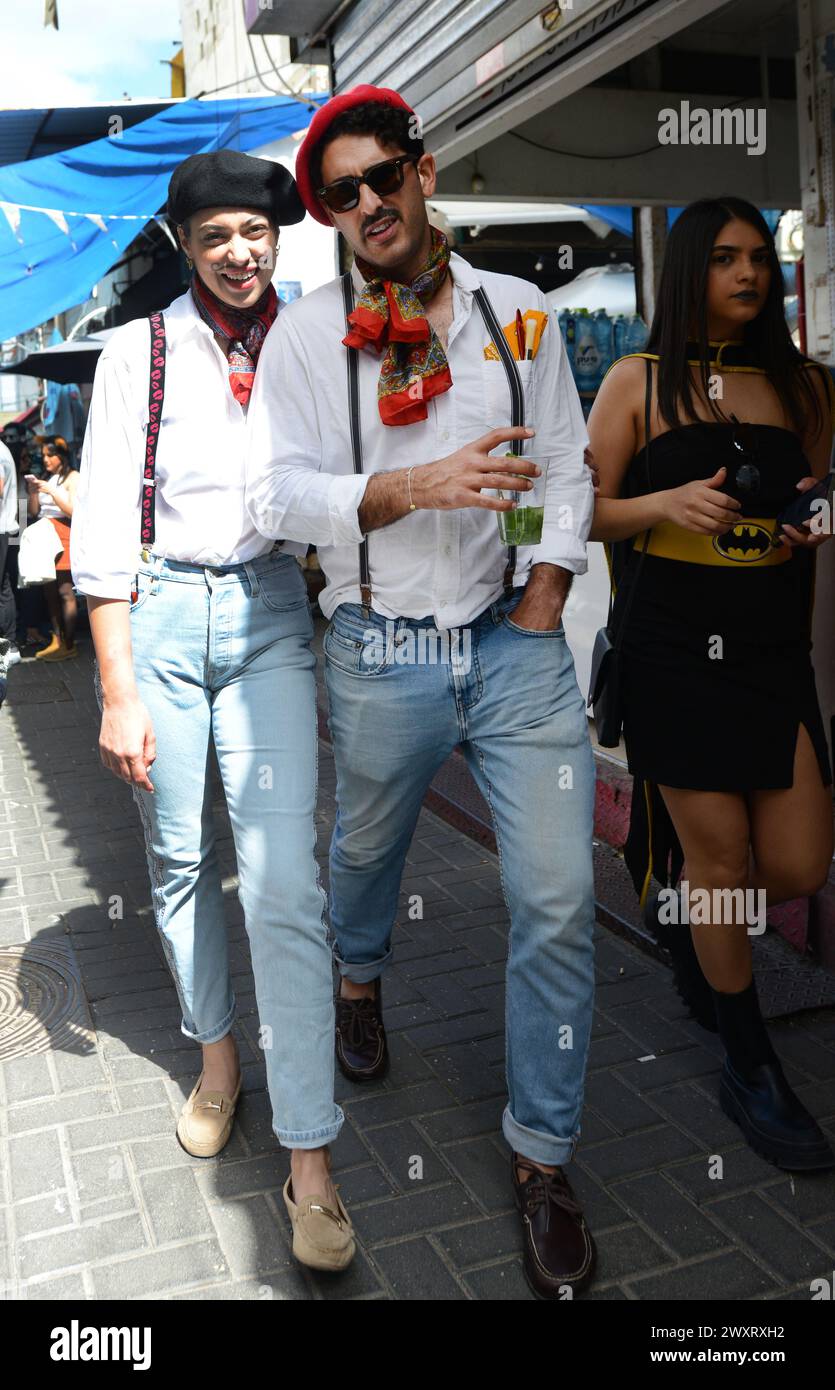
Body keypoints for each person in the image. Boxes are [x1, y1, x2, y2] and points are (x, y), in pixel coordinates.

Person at [246, 84, 598, 1299]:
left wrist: (549, 582)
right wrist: (404, 487)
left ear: (423, 170)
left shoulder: (522, 313)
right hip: (381, 645)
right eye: (335, 195)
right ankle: (356, 972)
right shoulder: (303, 337)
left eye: (378, 178)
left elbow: (566, 465)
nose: (364, 206)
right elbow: (273, 497)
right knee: (364, 854)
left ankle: (543, 1160)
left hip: (513, 642)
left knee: (554, 896)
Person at [71, 149, 356, 1272]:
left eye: (256, 232)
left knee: (285, 881)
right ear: (187, 248)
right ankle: (217, 1059)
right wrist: (118, 688)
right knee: (181, 857)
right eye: (217, 236)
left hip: (272, 613)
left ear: (277, 239)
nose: (240, 252)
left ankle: (311, 1161)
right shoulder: (134, 352)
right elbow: (100, 528)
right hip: (160, 618)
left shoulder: (317, 341)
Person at [588, 196, 834, 1172]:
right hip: (673, 649)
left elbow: (817, 492)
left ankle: (684, 902)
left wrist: (806, 519)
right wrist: (663, 501)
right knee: (723, 863)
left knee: (799, 866)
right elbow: (582, 509)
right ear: (688, 270)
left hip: (771, 655)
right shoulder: (636, 382)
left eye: (758, 259)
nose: (748, 275)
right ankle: (747, 1059)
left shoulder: (803, 387)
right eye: (725, 258)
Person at [26, 435, 78, 660]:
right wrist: (34, 492)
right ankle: (57, 640)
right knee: (49, 592)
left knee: (66, 591)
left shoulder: (73, 477)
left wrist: (52, 491)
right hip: (45, 536)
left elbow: (74, 511)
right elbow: (34, 512)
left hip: (64, 535)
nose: (45, 460)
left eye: (50, 455)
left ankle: (69, 643)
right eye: (43, 455)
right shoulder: (47, 477)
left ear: (61, 455)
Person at [0, 434, 21, 669]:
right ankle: (10, 647)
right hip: (5, 528)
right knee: (3, 589)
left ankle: (8, 647)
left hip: (1, 529)